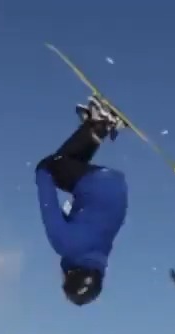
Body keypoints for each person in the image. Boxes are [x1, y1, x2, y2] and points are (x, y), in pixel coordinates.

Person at [34, 96, 129, 306]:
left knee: (67, 166)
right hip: (97, 186)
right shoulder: (64, 244)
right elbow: (47, 197)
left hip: (118, 191)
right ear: (71, 276)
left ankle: (96, 127)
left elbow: (89, 227)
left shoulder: (99, 257)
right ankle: (100, 123)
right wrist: (42, 172)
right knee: (52, 166)